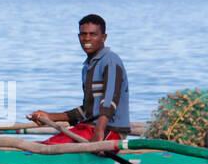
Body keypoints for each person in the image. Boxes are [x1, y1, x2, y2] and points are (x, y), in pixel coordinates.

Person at [27, 14, 130, 144]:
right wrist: (49, 117)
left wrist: (99, 132)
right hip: (88, 127)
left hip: (108, 130)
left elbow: (109, 101)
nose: (87, 38)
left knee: (47, 148)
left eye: (93, 34)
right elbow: (87, 110)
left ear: (103, 37)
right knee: (42, 145)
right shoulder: (87, 66)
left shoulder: (110, 61)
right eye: (83, 34)